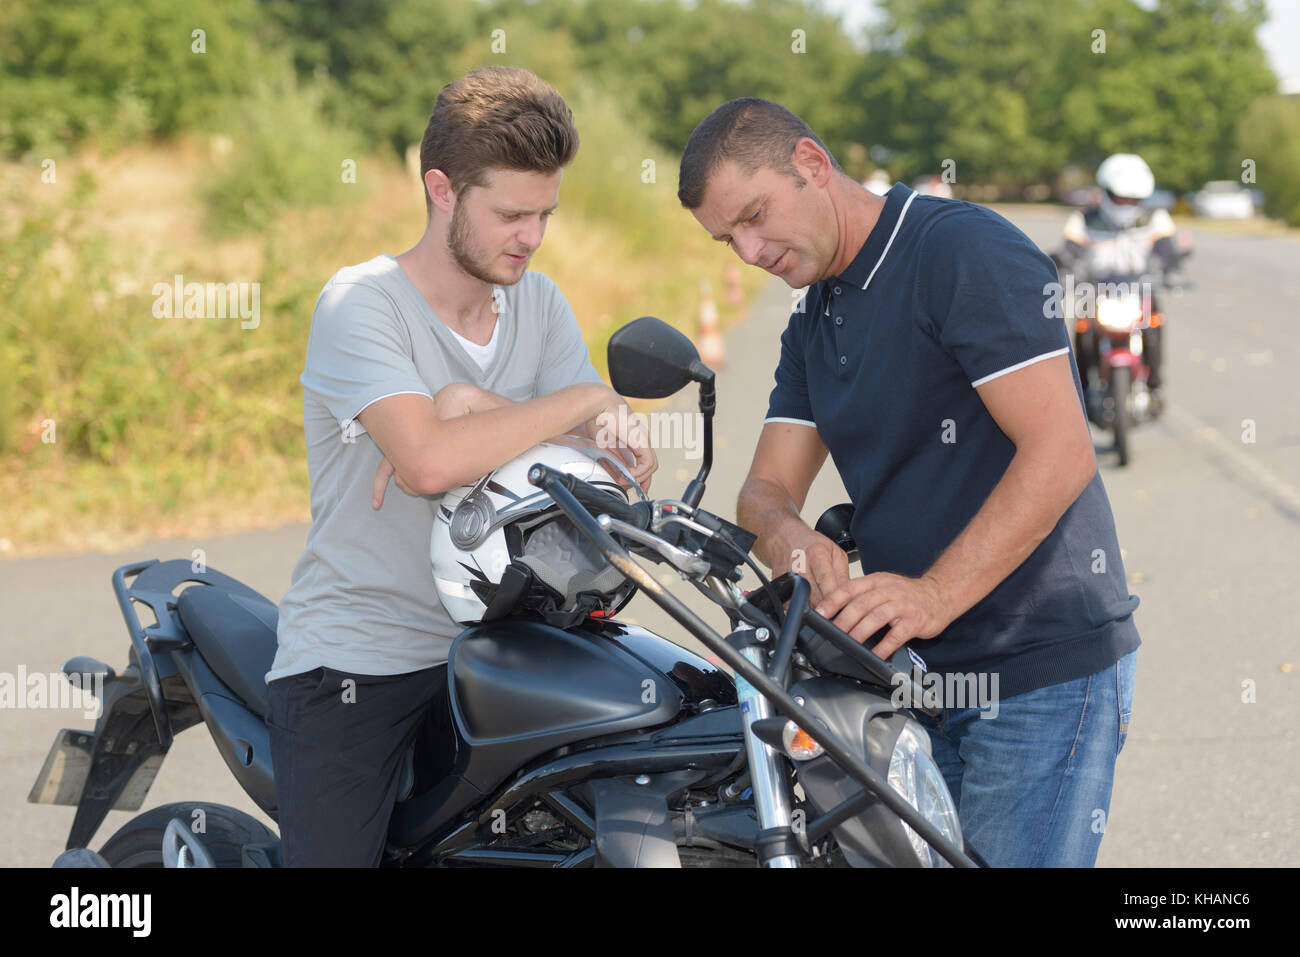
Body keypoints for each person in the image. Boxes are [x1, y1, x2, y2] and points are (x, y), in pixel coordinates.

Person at [678, 97, 1139, 867]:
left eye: (755, 217)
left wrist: (931, 593)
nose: (749, 251)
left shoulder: (959, 252)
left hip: (1037, 671)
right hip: (918, 682)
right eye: (729, 238)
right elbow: (762, 491)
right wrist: (788, 534)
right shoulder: (815, 315)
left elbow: (1061, 450)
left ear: (812, 164)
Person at [266, 66, 657, 867]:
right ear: (442, 189)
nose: (533, 235)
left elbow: (606, 473)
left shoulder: (540, 303)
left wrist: (469, 399)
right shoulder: (362, 303)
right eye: (511, 213)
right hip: (360, 658)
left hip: (514, 645)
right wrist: (577, 398)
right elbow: (429, 462)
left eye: (545, 213)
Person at [1061, 153, 1183, 411]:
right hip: (1097, 290)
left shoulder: (1155, 219)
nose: (1127, 203)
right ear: (1106, 192)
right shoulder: (1084, 220)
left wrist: (1172, 270)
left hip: (1140, 289)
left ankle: (1155, 385)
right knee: (1082, 328)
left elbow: (1167, 250)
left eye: (1134, 198)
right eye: (1121, 197)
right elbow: (1069, 252)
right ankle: (1081, 390)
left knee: (1155, 323)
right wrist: (1062, 269)